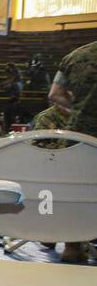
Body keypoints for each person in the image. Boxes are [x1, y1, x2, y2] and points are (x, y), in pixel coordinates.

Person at [43, 45, 96, 262]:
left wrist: (82, 107)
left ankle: (72, 245)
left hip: (80, 134)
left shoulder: (75, 56)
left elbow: (54, 94)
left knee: (77, 189)